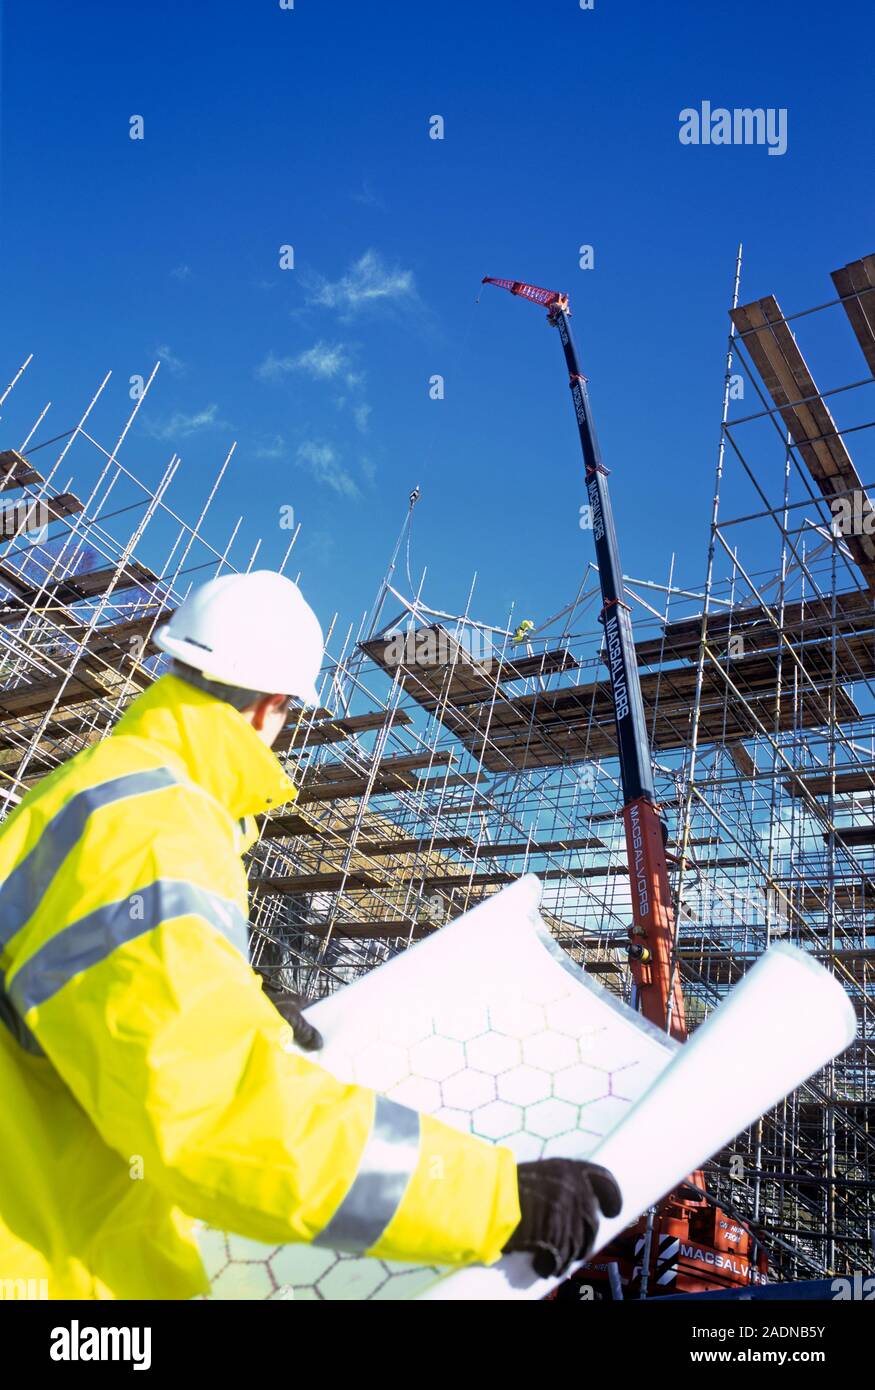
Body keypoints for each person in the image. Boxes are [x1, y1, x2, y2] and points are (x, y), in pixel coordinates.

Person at [0, 570, 620, 1298]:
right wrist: (495, 1202)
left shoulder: (90, 791)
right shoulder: (157, 830)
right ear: (272, 707)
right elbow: (218, 1112)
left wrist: (233, 997)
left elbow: (91, 1017)